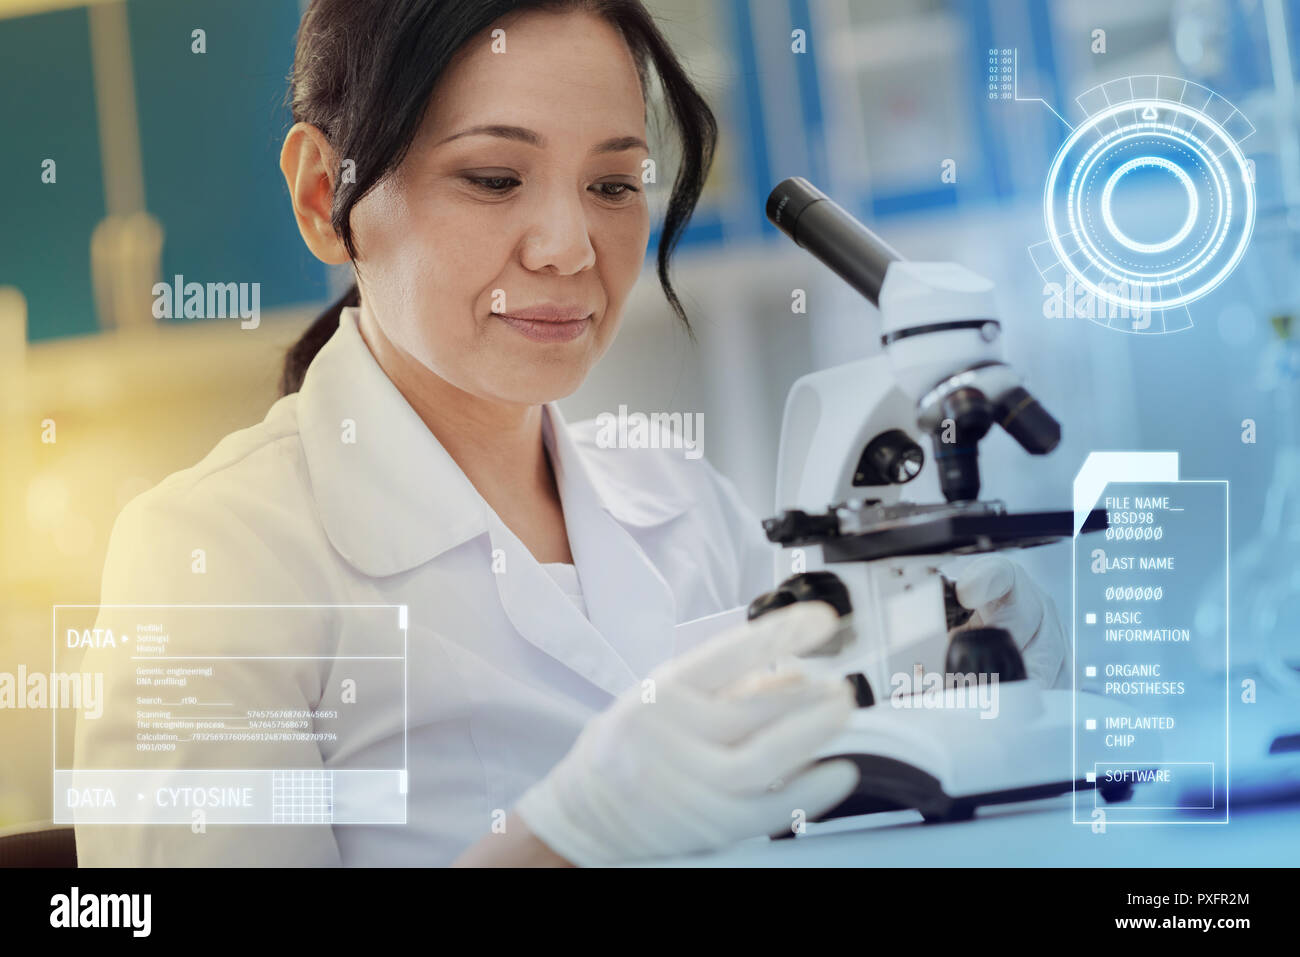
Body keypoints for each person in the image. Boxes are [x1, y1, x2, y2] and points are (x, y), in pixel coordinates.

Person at [74, 0, 1064, 868]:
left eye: (613, 184)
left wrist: (961, 670)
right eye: (493, 177)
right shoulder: (210, 557)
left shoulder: (690, 504)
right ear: (324, 197)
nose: (568, 248)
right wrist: (559, 839)